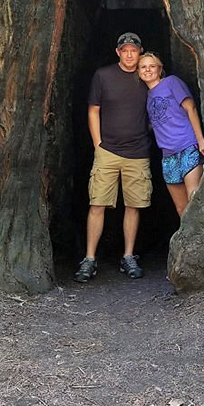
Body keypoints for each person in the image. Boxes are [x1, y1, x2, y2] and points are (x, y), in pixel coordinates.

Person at [74, 32, 152, 283]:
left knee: (134, 205)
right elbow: (93, 110)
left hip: (137, 152)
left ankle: (128, 256)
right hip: (107, 151)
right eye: (125, 50)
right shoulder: (103, 76)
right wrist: (98, 143)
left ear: (140, 52)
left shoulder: (147, 76)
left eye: (134, 50)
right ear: (118, 52)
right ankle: (89, 258)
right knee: (97, 203)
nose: (130, 54)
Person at [137, 52, 204, 217]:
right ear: (139, 73)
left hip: (186, 146)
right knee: (181, 208)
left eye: (152, 66)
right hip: (168, 156)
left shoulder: (171, 82)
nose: (148, 70)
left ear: (160, 69)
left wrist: (200, 140)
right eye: (143, 67)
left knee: (194, 198)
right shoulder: (147, 97)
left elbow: (190, 108)